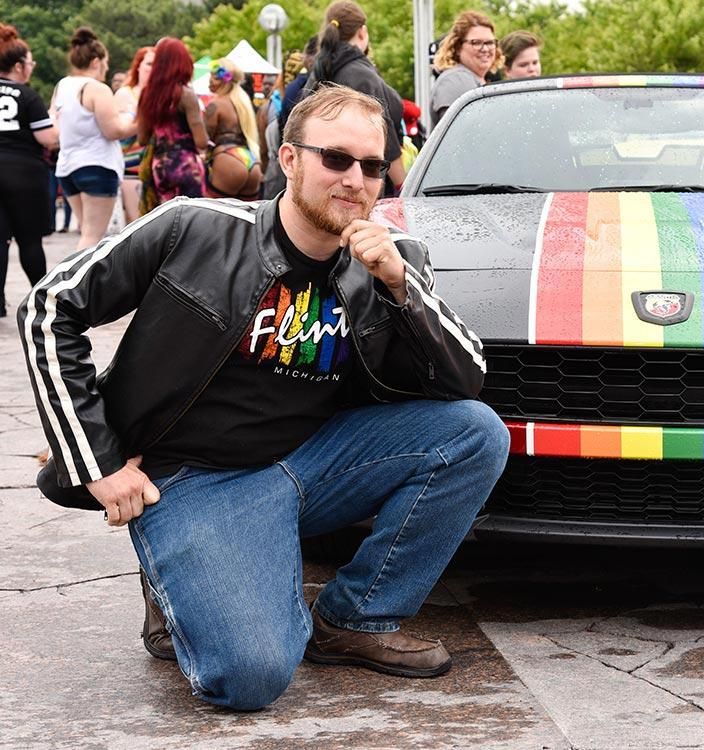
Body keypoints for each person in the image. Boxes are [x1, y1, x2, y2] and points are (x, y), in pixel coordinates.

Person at [20, 85, 507, 711]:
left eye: (374, 165)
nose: (355, 180)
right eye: (335, 159)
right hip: (194, 478)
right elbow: (49, 306)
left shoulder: (393, 260)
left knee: (475, 431)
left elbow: (467, 379)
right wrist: (99, 462)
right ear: (289, 159)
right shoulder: (196, 228)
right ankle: (180, 571)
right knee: (251, 677)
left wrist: (399, 287)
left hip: (314, 461)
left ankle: (352, 617)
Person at [305, 1, 407, 194]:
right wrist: (405, 188)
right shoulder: (361, 76)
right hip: (363, 183)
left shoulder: (321, 72)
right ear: (362, 32)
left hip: (323, 181)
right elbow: (386, 139)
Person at [53, 27, 136, 251]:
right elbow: (114, 131)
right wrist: (135, 117)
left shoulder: (63, 86)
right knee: (92, 238)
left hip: (68, 167)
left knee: (86, 233)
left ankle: (78, 283)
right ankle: (78, 285)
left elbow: (55, 126)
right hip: (96, 165)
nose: (107, 68)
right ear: (96, 61)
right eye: (106, 63)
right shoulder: (97, 89)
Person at [0, 24, 58, 316]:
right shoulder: (27, 95)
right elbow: (48, 138)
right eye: (31, 63)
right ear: (20, 66)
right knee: (29, 240)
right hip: (24, 172)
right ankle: (42, 297)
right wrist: (56, 122)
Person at [137, 37, 207, 213]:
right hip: (186, 165)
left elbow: (143, 139)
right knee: (192, 221)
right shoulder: (186, 95)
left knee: (167, 220)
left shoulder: (146, 95)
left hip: (159, 167)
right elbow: (201, 141)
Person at [203, 59, 262, 199]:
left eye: (215, 77)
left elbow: (204, 139)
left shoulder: (215, 104)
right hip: (251, 162)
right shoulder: (243, 103)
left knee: (215, 217)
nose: (210, 81)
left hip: (227, 160)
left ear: (225, 80)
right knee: (245, 218)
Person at [430, 11, 502, 125]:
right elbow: (464, 133)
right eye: (476, 42)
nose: (485, 49)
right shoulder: (455, 80)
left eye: (489, 42)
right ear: (458, 47)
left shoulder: (478, 80)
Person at [113, 46, 154, 224]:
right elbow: (119, 132)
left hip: (155, 166)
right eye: (149, 64)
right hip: (132, 167)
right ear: (138, 66)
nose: (153, 68)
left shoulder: (160, 94)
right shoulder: (125, 93)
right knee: (137, 223)